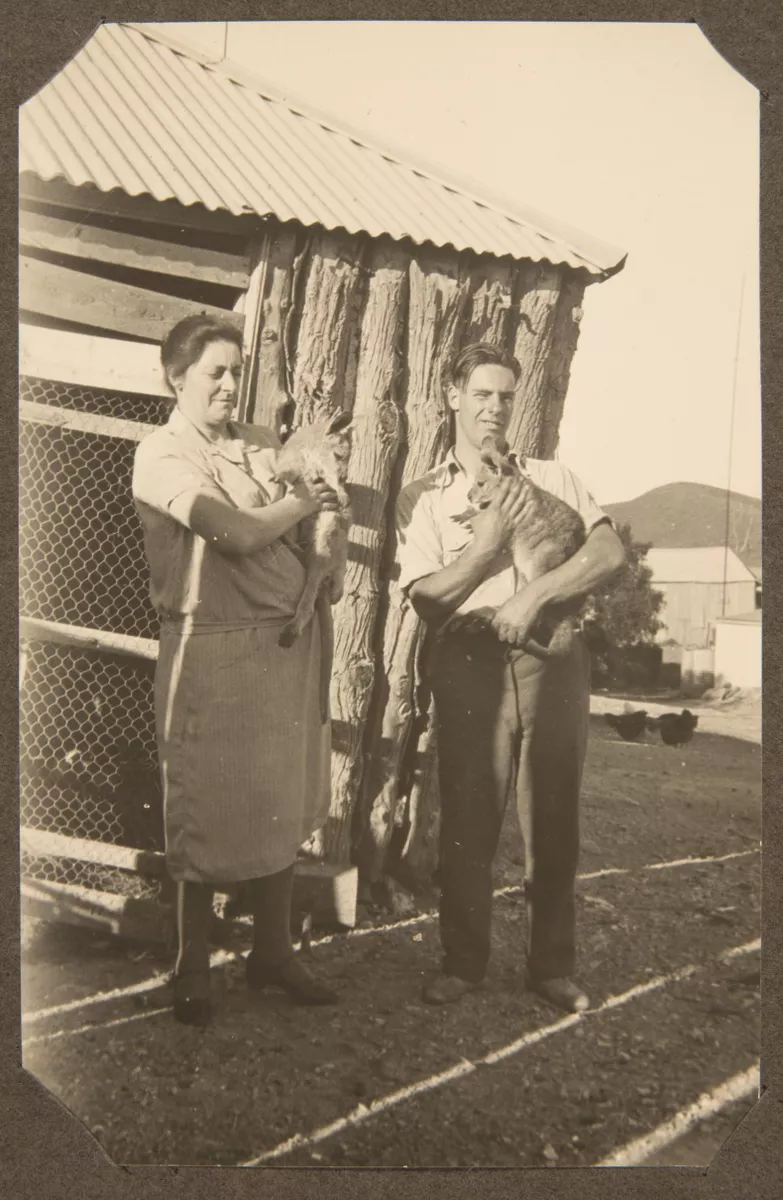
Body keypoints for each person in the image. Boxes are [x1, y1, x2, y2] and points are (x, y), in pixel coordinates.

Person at [396, 342, 626, 1011]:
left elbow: (607, 550)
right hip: (469, 659)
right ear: (451, 395)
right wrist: (490, 544)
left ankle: (550, 966)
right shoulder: (424, 496)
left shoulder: (554, 477)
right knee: (468, 816)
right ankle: (463, 962)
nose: (493, 408)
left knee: (551, 813)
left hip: (550, 652)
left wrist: (533, 594)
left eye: (504, 395)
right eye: (480, 394)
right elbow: (428, 598)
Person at [132, 313, 339, 1025]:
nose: (228, 383)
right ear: (175, 376)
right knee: (203, 807)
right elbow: (235, 532)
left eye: (235, 370)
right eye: (214, 371)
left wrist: (316, 531)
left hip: (281, 649)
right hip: (210, 654)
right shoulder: (160, 455)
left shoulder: (258, 445)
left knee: (277, 800)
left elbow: (304, 526)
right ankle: (191, 965)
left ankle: (273, 952)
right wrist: (302, 502)